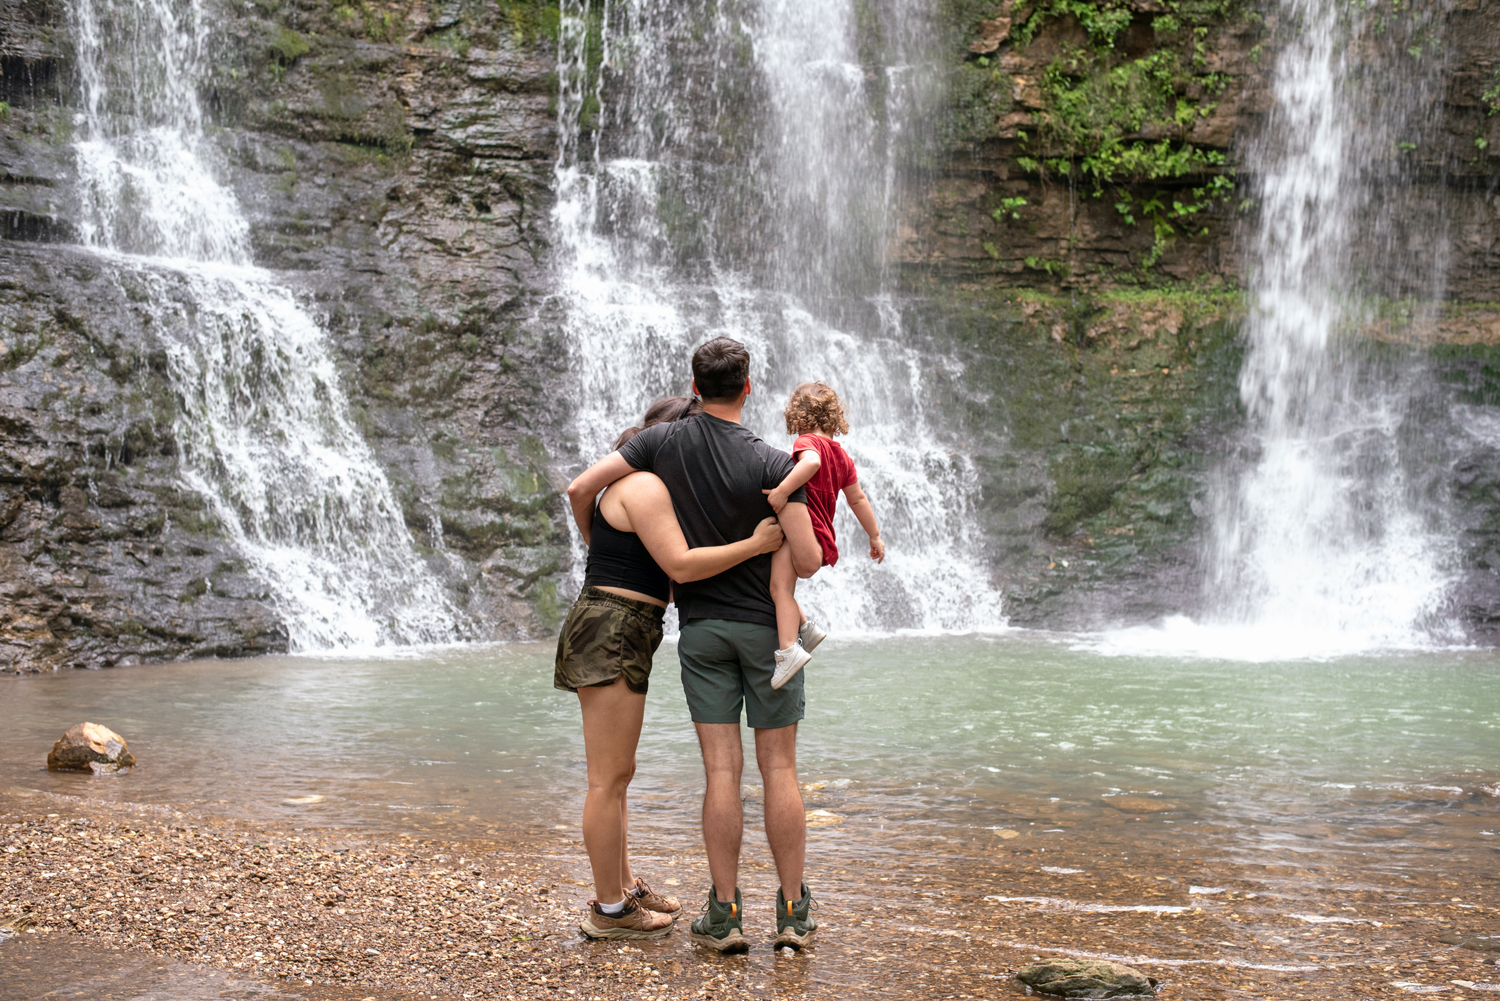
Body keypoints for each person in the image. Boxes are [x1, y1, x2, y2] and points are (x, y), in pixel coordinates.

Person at [565, 337, 825, 953]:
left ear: (694, 385)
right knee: (780, 769)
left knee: (719, 771)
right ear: (749, 386)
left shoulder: (661, 450)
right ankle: (792, 915)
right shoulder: (770, 461)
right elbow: (809, 560)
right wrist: (781, 536)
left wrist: (594, 545)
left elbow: (583, 491)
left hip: (700, 632)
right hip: (767, 630)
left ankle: (725, 913)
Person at [762, 381, 886, 689]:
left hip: (802, 529)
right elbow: (858, 499)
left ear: (799, 416)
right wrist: (875, 535)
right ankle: (806, 628)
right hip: (821, 536)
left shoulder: (808, 444)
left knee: (779, 589)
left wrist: (781, 491)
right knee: (782, 587)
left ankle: (789, 650)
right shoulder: (843, 457)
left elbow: (812, 464)